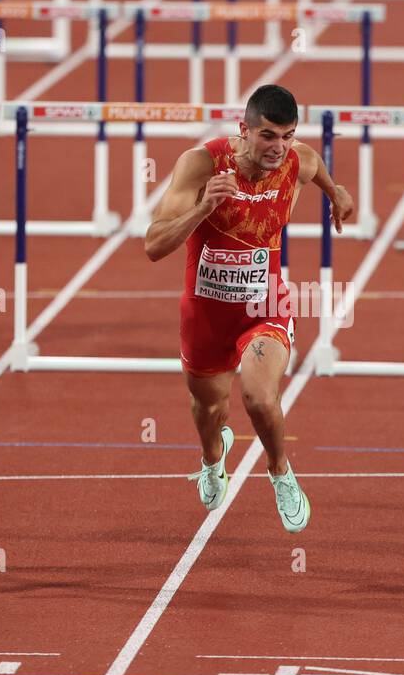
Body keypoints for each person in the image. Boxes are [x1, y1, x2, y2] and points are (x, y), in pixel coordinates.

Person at [144, 85, 355, 533]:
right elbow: (154, 245)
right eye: (268, 136)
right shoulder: (200, 164)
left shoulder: (297, 160)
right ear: (243, 130)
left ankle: (280, 471)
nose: (279, 147)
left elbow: (316, 167)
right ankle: (211, 457)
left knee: (259, 397)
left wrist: (336, 193)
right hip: (205, 315)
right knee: (209, 411)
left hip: (266, 305)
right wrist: (203, 208)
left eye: (287, 135)